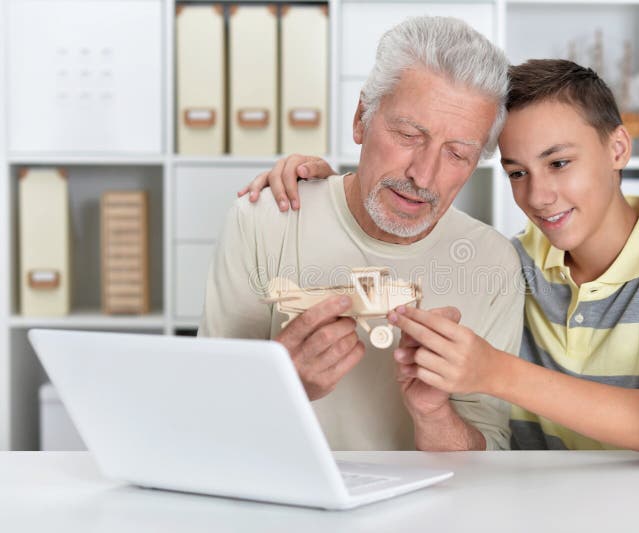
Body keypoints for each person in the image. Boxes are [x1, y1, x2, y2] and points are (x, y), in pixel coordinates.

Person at [241, 60, 639, 462]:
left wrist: (492, 370)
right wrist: (332, 191)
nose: (538, 195)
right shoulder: (513, 263)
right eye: (517, 172)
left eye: (559, 163)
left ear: (617, 148)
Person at [199, 16, 524, 451]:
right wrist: (284, 386)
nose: (423, 175)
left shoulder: (494, 262)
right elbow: (204, 416)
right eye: (408, 135)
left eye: (457, 154)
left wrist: (435, 414)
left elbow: (491, 454)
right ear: (360, 119)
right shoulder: (262, 220)